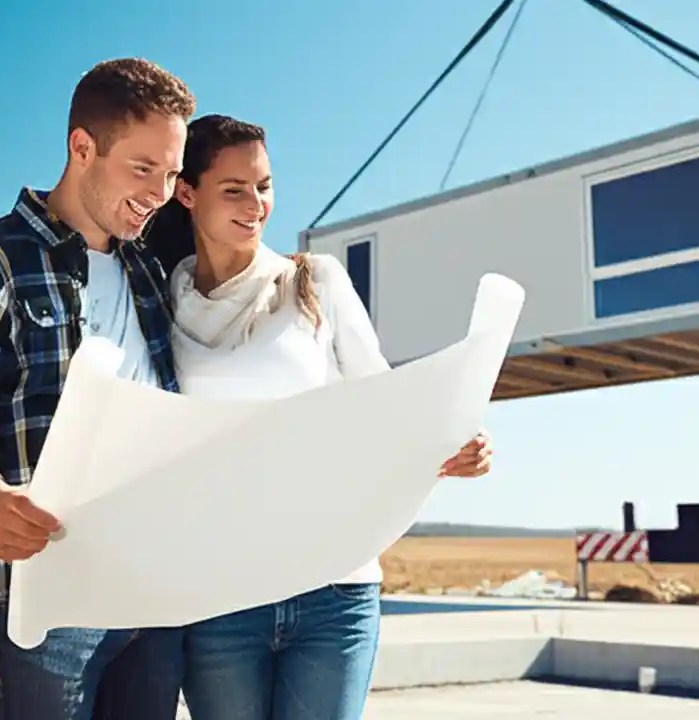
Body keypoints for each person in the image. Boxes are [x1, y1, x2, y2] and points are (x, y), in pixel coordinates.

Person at [141, 114, 494, 720]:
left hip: (334, 589)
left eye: (265, 186)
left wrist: (447, 443)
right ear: (186, 192)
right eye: (234, 189)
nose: (256, 205)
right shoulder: (160, 299)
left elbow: (386, 407)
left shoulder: (314, 281)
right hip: (220, 595)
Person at [0, 57, 195, 720]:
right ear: (81, 147)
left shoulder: (151, 273)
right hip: (39, 596)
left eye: (171, 173)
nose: (159, 191)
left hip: (149, 592)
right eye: (142, 169)